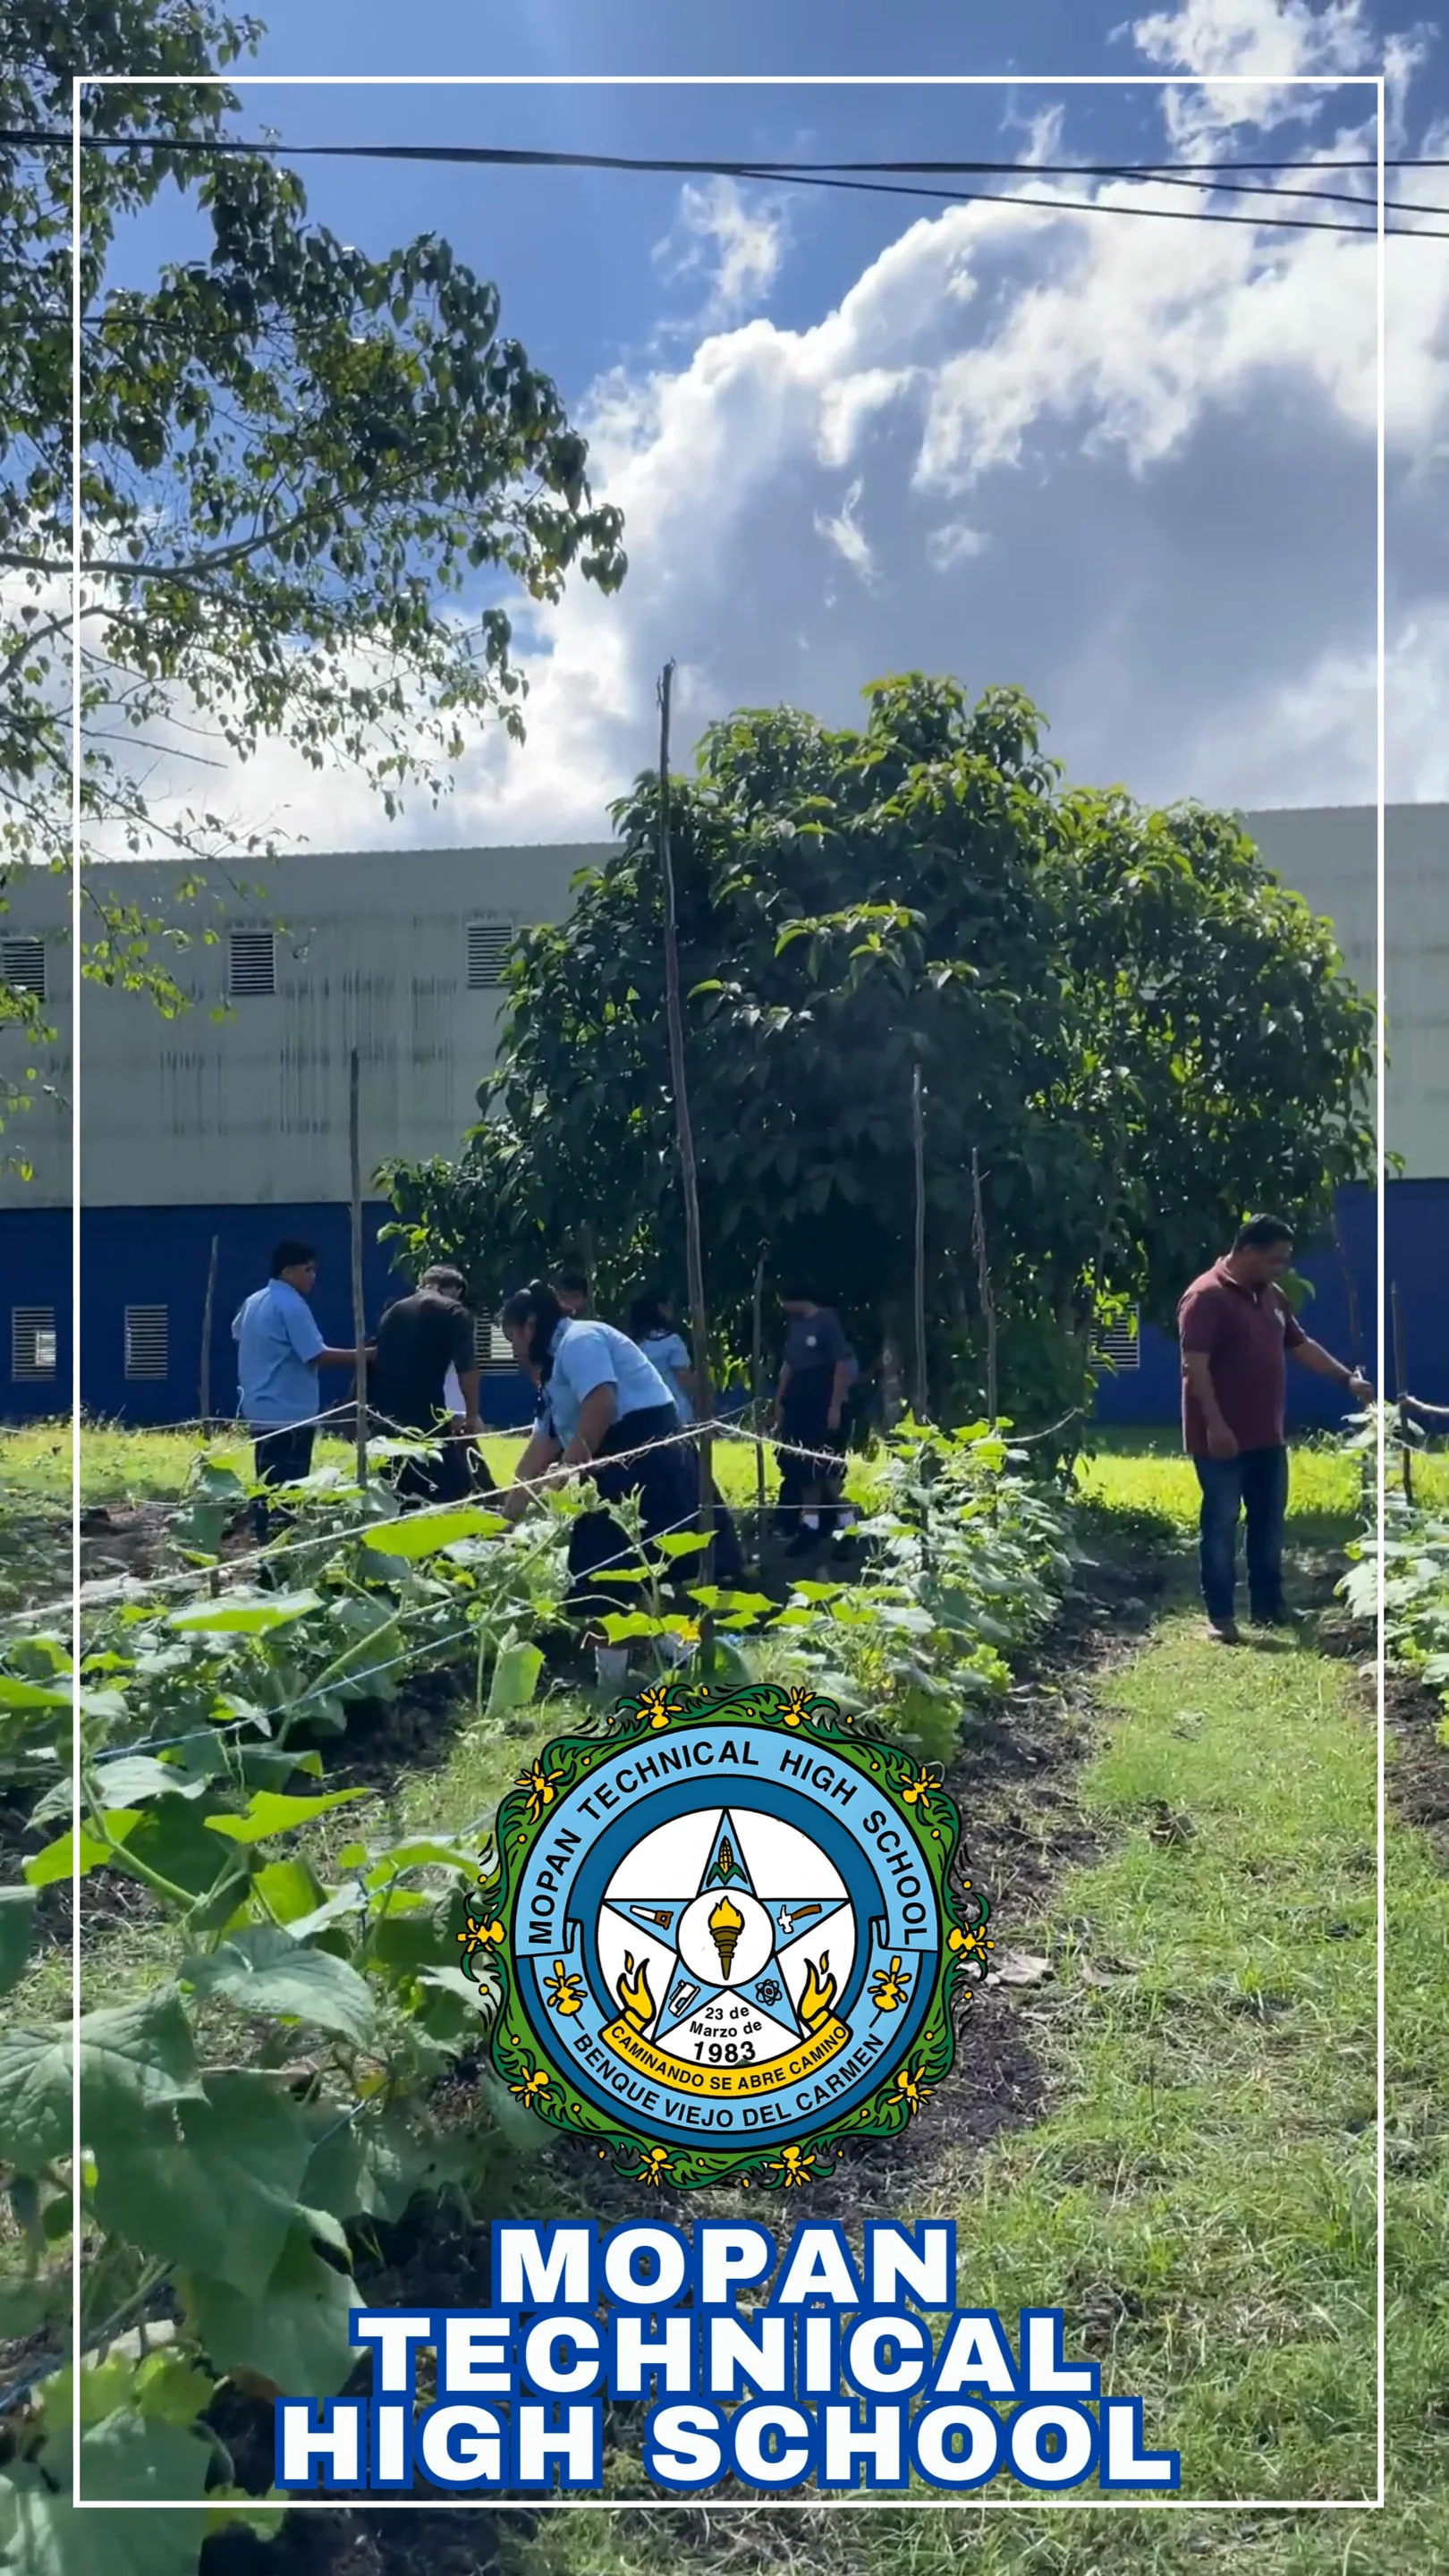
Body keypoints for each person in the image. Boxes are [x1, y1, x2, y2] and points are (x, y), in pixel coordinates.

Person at [1178, 1215, 1373, 1644]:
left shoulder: (1271, 1295)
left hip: (1266, 1434)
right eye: (1275, 1259)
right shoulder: (1205, 1297)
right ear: (1247, 1251)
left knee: (1268, 1524)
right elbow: (1194, 1369)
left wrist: (1347, 1380)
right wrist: (1215, 1425)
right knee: (1221, 1525)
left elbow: (1301, 1346)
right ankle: (1221, 1616)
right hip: (1221, 1439)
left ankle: (1268, 1607)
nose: (1282, 1268)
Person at [496, 1282, 698, 1686]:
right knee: (612, 1575)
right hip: (613, 1461)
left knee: (628, 1573)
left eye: (513, 1337)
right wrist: (508, 1513)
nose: (514, 1350)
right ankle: (638, 1669)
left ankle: (664, 1664)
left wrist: (568, 1469)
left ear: (531, 1325)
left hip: (642, 1457)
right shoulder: (554, 1370)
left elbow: (601, 1404)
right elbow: (544, 1440)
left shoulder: (580, 1340)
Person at [233, 1240, 371, 1539]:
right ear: (287, 1272)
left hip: (260, 1409)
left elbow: (238, 1333)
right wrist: (367, 1356)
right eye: (308, 1270)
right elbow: (316, 1354)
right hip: (290, 1413)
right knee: (289, 1491)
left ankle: (264, 1543)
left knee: (267, 1485)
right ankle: (282, 1549)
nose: (313, 1277)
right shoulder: (291, 1305)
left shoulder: (254, 1301)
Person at [628, 1291, 746, 1588]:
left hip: (643, 1426)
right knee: (693, 1490)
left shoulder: (633, 1344)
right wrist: (704, 1380)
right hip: (676, 1421)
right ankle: (716, 1560)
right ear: (658, 1308)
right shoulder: (670, 1342)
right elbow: (686, 1382)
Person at [372, 1266, 490, 1507]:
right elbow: (466, 1368)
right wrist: (471, 1415)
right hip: (429, 1416)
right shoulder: (455, 1312)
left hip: (388, 1417)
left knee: (398, 1489)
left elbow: (377, 1362)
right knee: (452, 1490)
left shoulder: (392, 1313)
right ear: (453, 1290)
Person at [771, 1288, 854, 1555]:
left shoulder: (827, 1320)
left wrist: (835, 1406)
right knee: (803, 1466)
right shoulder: (795, 1326)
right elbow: (789, 1365)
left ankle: (848, 1524)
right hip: (799, 1401)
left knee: (826, 1465)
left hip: (821, 1397)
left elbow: (841, 1363)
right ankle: (810, 1525)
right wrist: (779, 1401)